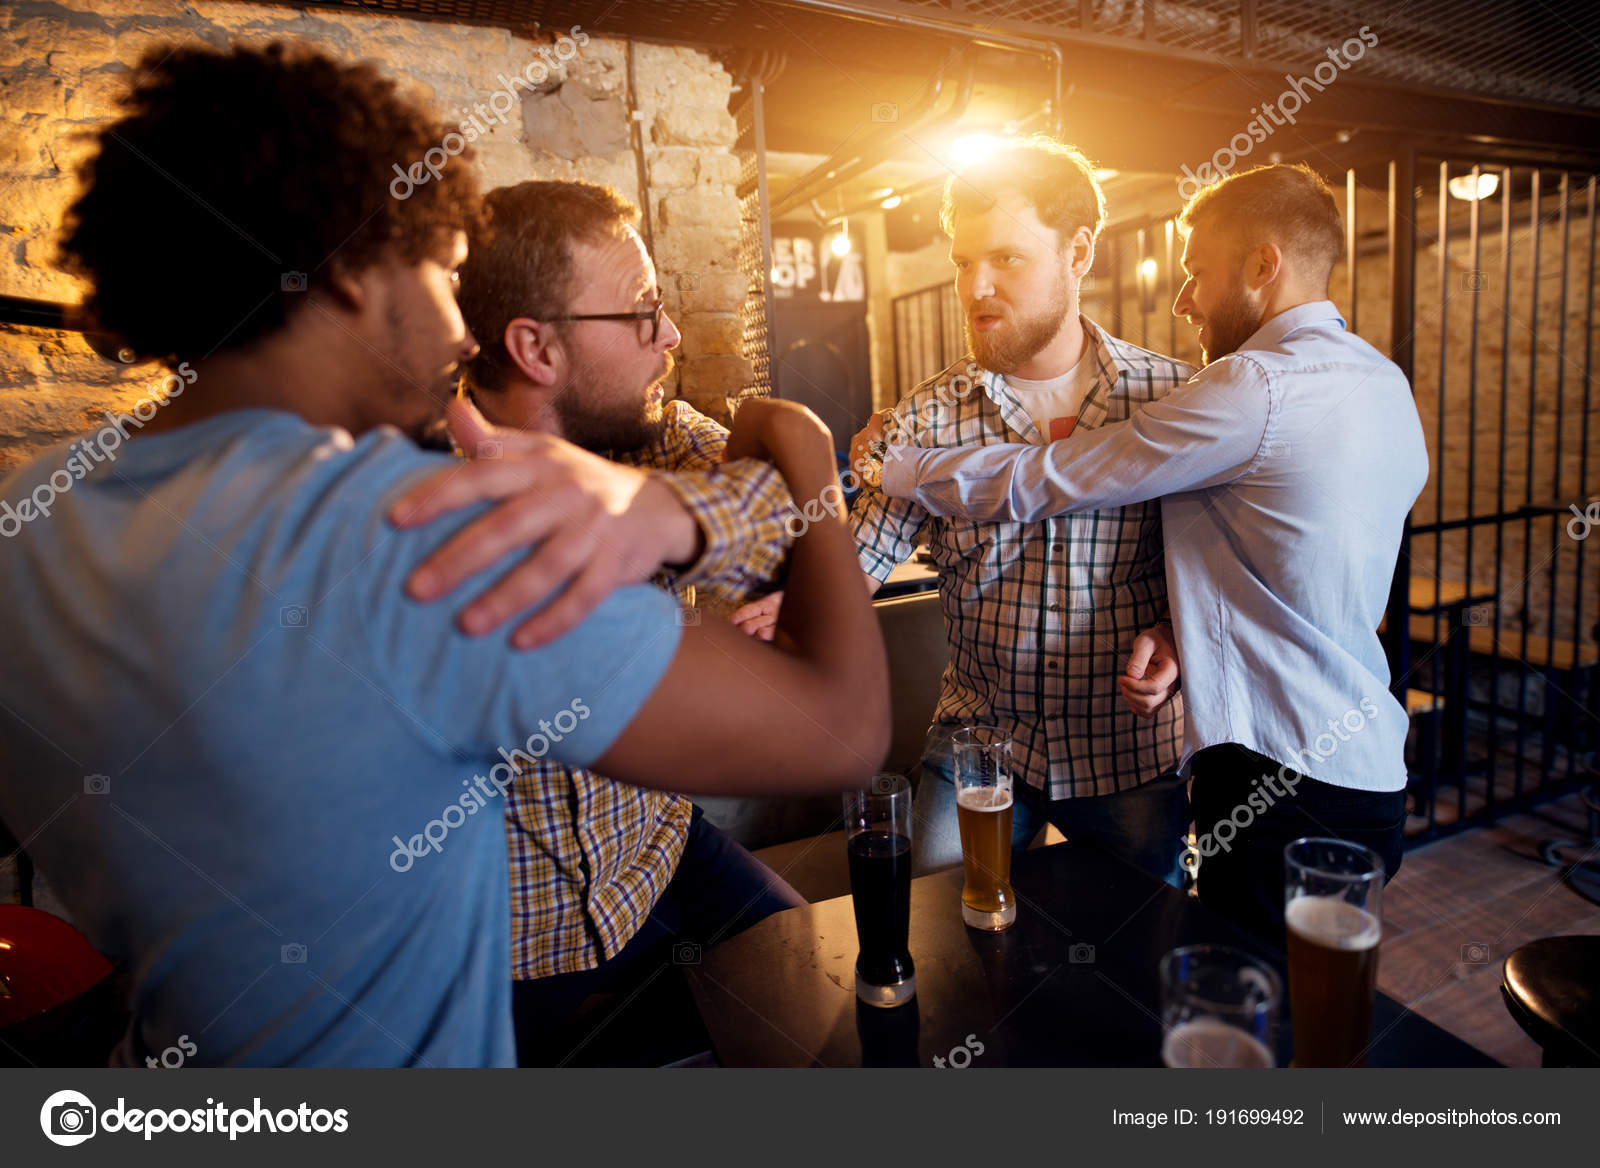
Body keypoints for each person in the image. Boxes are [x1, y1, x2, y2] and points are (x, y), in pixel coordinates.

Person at [0, 42, 887, 1068]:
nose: (461, 333)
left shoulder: (32, 515)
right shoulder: (411, 537)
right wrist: (807, 448)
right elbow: (843, 728)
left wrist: (686, 515)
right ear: (351, 276)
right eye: (445, 276)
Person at [870, 162, 1426, 940]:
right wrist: (1176, 635)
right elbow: (1293, 569)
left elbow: (1058, 474)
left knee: (1245, 1000)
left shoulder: (1246, 388)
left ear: (1264, 266)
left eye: (1198, 270)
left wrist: (893, 465)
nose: (1183, 297)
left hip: (1274, 770)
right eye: (964, 262)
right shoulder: (1383, 382)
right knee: (1283, 994)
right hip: (1367, 770)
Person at [742, 137, 1194, 884]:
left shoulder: (1171, 400)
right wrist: (800, 599)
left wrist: (1177, 637)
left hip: (1130, 751)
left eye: (1007, 259)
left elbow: (1214, 569)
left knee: (1136, 958)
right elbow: (862, 557)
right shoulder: (925, 417)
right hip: (979, 746)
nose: (976, 287)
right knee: (948, 946)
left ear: (1079, 252)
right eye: (962, 262)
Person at [453, 179, 804, 1064]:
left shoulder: (655, 435)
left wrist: (785, 564)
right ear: (534, 346)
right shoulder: (404, 500)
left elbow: (786, 489)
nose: (672, 335)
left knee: (831, 1001)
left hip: (659, 853)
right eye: (643, 310)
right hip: (504, 938)